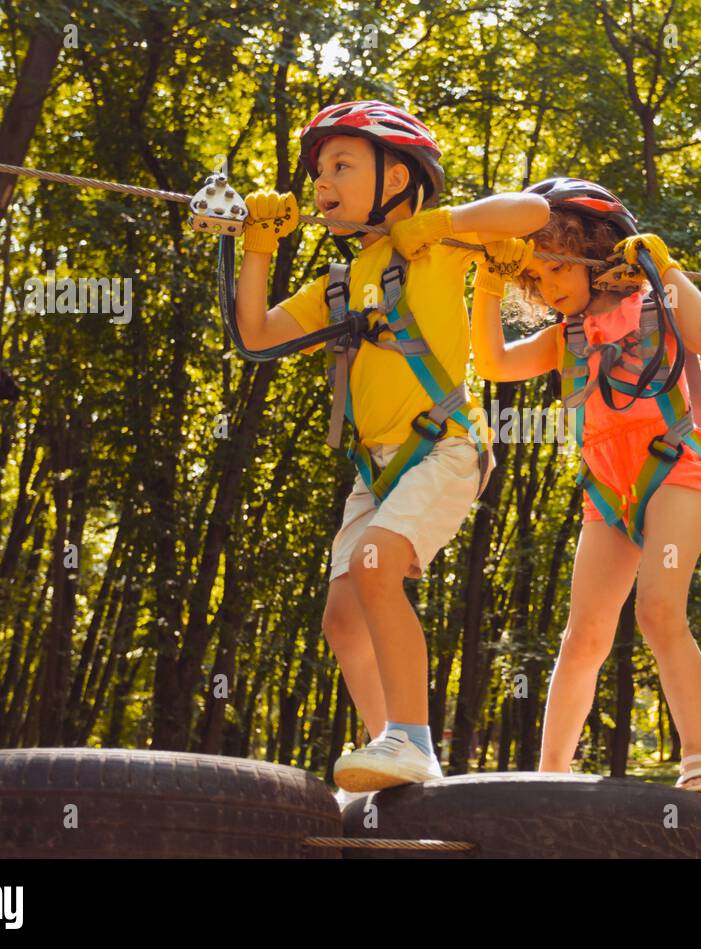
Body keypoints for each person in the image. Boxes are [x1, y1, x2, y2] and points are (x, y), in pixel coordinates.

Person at [233, 100, 549, 790]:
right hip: (374, 472)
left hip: (446, 445)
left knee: (376, 565)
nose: (322, 181)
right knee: (344, 621)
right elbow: (255, 335)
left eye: (342, 164)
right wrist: (257, 243)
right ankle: (395, 755)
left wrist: (440, 223)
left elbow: (530, 214)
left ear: (401, 178)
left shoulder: (432, 246)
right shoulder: (341, 283)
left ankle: (411, 739)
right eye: (319, 170)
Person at [470, 177, 701, 799]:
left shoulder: (653, 306)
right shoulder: (564, 336)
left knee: (658, 610)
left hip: (675, 467)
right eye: (534, 280)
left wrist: (662, 267)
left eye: (555, 268)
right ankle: (551, 775)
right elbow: (493, 362)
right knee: (583, 632)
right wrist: (485, 280)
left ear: (597, 249)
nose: (547, 286)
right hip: (608, 490)